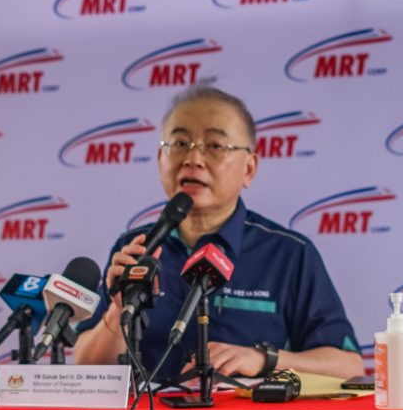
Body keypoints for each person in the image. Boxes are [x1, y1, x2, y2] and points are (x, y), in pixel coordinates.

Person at [72, 85, 364, 383]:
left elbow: (348, 366)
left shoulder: (288, 254)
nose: (193, 159)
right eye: (180, 143)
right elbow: (85, 369)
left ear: (249, 168)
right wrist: (117, 311)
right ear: (161, 158)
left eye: (214, 146)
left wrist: (264, 359)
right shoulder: (135, 249)